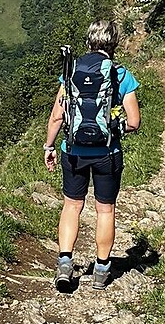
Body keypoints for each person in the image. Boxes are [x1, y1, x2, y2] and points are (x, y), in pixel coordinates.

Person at [43, 20, 141, 291]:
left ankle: (65, 263)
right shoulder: (122, 76)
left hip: (73, 151)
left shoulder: (71, 71)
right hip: (107, 154)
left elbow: (57, 116)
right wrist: (113, 127)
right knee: (105, 209)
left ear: (88, 42)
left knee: (72, 206)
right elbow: (134, 122)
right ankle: (100, 270)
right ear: (115, 44)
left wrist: (49, 147)